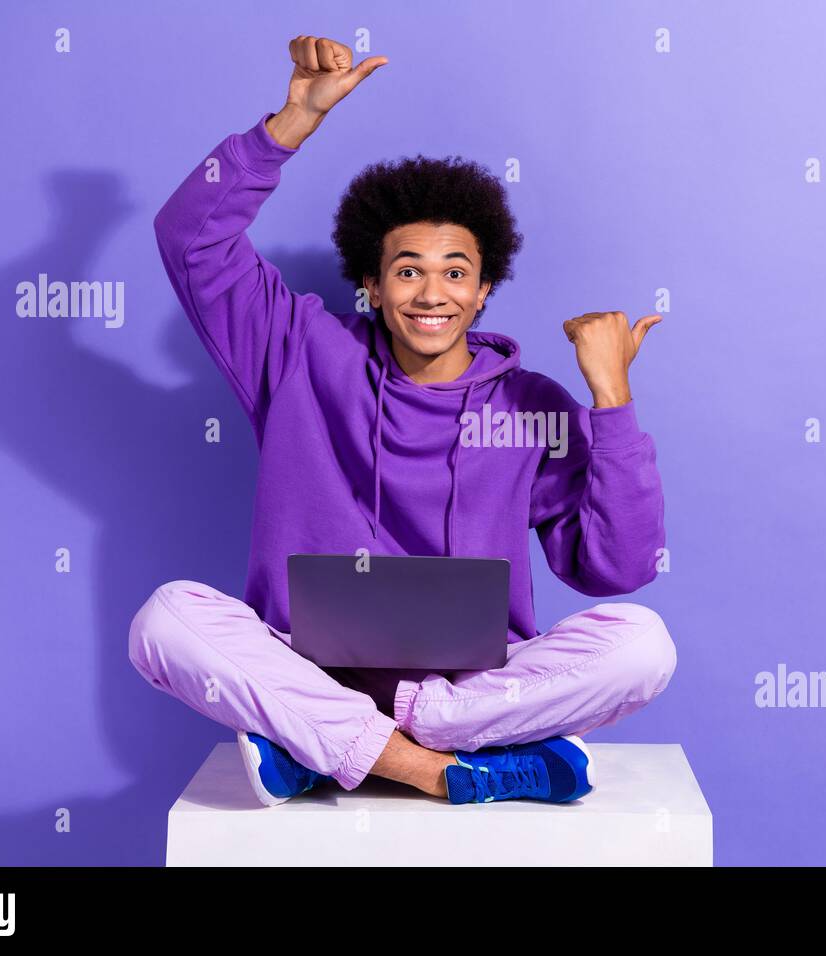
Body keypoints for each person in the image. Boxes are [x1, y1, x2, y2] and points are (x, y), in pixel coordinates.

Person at [128, 35, 676, 806]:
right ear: (372, 286)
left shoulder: (531, 406)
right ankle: (434, 769)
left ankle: (337, 747)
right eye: (408, 270)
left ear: (483, 291)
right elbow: (189, 238)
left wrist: (611, 401)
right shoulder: (297, 352)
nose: (432, 293)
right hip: (305, 667)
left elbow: (615, 569)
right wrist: (291, 121)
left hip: (466, 684)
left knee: (643, 645)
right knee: (166, 621)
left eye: (457, 272)